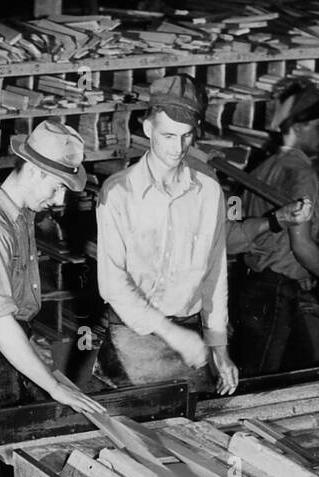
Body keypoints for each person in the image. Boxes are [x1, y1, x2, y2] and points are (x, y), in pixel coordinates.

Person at [0, 121, 106, 456]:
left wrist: (29, 341)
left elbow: (12, 308)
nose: (57, 200)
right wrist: (54, 386)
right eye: (56, 188)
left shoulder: (20, 217)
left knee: (13, 460)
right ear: (35, 171)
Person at [96, 75, 240, 396]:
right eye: (168, 136)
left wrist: (219, 348)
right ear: (148, 129)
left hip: (189, 332)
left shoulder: (208, 192)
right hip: (133, 337)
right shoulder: (119, 192)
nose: (178, 148)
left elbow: (215, 275)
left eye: (187, 137)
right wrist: (171, 333)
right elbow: (112, 284)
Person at [229, 80, 319, 376]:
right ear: (298, 127)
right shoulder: (301, 173)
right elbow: (302, 245)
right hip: (273, 290)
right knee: (258, 379)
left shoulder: (263, 167)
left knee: (297, 367)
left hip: (253, 282)